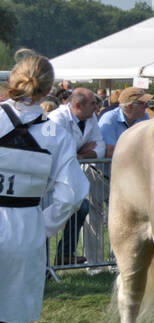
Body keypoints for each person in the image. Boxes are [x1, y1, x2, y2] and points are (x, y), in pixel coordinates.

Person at [0, 53, 90, 323]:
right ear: (50, 89)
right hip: (24, 234)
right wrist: (40, 226)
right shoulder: (56, 133)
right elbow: (73, 193)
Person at [48, 88, 104, 265]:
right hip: (49, 177)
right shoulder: (57, 118)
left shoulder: (90, 117)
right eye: (93, 103)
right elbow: (58, 149)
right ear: (78, 105)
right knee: (43, 218)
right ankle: (44, 264)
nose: (97, 107)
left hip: (67, 174)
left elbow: (100, 147)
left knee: (82, 206)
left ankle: (64, 253)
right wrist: (79, 151)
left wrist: (80, 155)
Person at [99, 86, 154, 159]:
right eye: (143, 103)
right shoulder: (109, 119)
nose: (147, 106)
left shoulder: (144, 116)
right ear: (130, 106)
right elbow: (109, 151)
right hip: (109, 169)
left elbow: (148, 144)